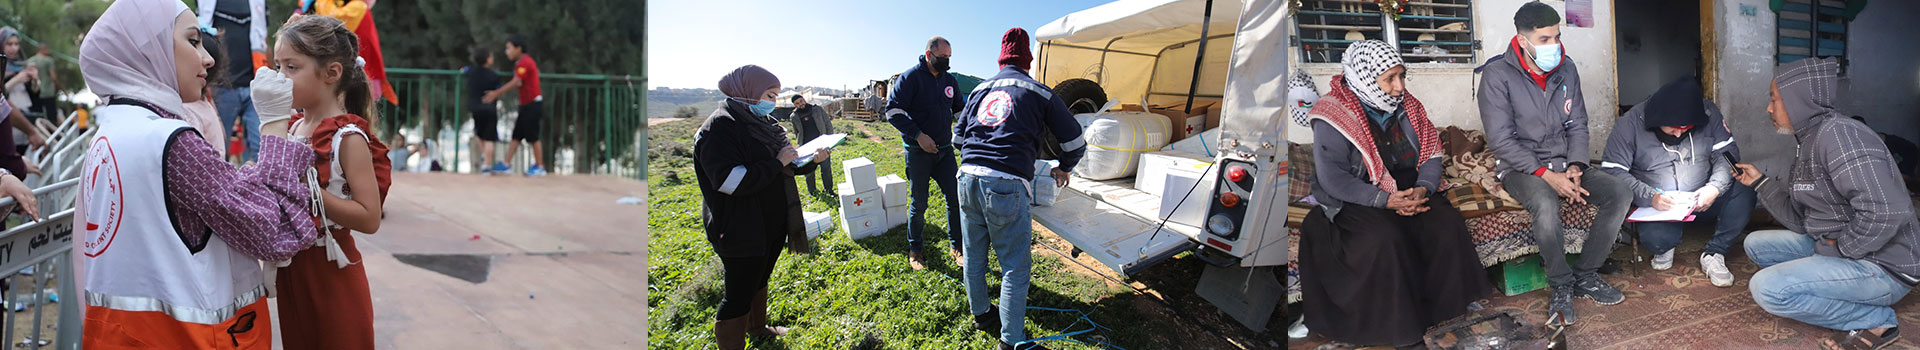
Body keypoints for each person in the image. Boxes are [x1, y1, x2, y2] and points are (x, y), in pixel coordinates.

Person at [74, 0, 321, 347]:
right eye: (193, 41)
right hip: (191, 338)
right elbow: (274, 230)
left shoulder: (111, 131)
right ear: (149, 50)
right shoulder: (172, 141)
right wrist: (275, 126)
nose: (208, 58)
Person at [1296, 40, 1490, 347]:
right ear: (1364, 77)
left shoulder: (1408, 106)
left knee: (1446, 224)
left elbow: (1431, 154)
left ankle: (1443, 312)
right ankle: (1401, 330)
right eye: (1390, 78)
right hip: (1358, 193)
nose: (1399, 86)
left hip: (1408, 185)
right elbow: (1334, 179)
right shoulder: (1332, 115)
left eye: (1402, 76)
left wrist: (1423, 189)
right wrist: (1385, 200)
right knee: (1384, 240)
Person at [1735, 57, 1918, 350]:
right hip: (1838, 244)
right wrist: (1760, 183)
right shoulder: (1808, 141)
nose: (1768, 109)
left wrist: (1842, 249)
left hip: (1884, 265)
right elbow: (1801, 221)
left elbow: (1887, 210)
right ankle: (1831, 281)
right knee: (1756, 244)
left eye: (1774, 99)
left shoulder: (1840, 135)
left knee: (1767, 289)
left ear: (1799, 100)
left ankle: (1876, 319)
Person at [1476, 1, 1632, 325]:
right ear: (1522, 40)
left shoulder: (1566, 68)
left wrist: (1575, 165)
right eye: (1544, 39)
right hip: (1521, 167)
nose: (1554, 45)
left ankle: (1586, 275)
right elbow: (1502, 142)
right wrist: (1547, 175)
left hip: (1564, 161)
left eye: (1557, 37)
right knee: (1546, 204)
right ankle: (1561, 283)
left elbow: (1577, 124)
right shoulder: (1497, 75)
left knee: (1620, 193)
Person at [953, 28, 1085, 350]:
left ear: (1001, 60)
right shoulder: (1040, 93)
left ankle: (982, 313)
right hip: (1005, 184)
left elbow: (958, 139)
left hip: (967, 178)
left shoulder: (980, 90)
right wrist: (1064, 167)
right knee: (1014, 266)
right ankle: (1011, 341)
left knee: (974, 255)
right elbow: (1075, 142)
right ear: (1028, 60)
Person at [271, 15, 396, 350]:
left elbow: (369, 217)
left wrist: (306, 190)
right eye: (278, 66)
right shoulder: (292, 128)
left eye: (291, 67)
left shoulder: (347, 138)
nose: (280, 78)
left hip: (333, 272)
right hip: (293, 270)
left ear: (331, 73)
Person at [693, 65, 827, 350]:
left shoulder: (762, 124)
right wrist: (777, 162)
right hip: (740, 228)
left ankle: (757, 328)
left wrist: (810, 161)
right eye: (769, 95)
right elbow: (730, 181)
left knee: (760, 277)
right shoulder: (720, 127)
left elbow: (785, 165)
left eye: (776, 95)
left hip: (769, 223)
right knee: (738, 294)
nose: (773, 102)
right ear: (747, 92)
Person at [1601, 77, 1753, 287]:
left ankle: (1715, 252)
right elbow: (1613, 172)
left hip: (1701, 198)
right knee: (1658, 241)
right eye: (1672, 127)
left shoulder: (1708, 112)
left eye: (1686, 127)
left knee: (1745, 186)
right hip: (1658, 205)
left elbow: (1727, 154)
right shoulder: (1630, 123)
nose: (1679, 133)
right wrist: (1650, 196)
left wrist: (1714, 187)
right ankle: (1666, 245)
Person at [885, 36, 964, 270]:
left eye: (949, 57)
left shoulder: (950, 80)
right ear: (929, 55)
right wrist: (918, 135)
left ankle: (957, 246)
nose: (946, 61)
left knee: (955, 199)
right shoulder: (911, 78)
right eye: (942, 57)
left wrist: (968, 131)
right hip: (918, 153)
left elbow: (960, 111)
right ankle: (915, 250)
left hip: (944, 152)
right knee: (919, 203)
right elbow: (893, 111)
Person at [199, 0, 268, 162]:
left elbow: (263, 39)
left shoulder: (258, 2)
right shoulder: (206, 3)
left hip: (255, 85)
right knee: (218, 148)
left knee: (262, 149)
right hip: (221, 88)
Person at [482, 33, 547, 176]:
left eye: (509, 48)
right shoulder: (519, 64)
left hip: (532, 104)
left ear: (519, 48)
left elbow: (517, 81)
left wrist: (497, 93)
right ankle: (507, 164)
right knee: (517, 135)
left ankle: (540, 166)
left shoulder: (525, 62)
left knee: (533, 136)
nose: (507, 52)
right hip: (525, 105)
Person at [463, 47, 503, 174]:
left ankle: (484, 155)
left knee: (478, 134)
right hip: (490, 109)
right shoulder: (494, 76)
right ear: (487, 59)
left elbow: (464, 70)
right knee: (489, 138)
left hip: (476, 109)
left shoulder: (471, 71)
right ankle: (487, 164)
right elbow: (499, 89)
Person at [789, 94, 835, 195]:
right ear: (794, 105)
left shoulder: (817, 109)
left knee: (826, 168)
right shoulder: (794, 116)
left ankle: (829, 190)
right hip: (806, 146)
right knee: (809, 171)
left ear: (804, 99)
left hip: (822, 144)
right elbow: (796, 131)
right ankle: (812, 191)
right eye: (797, 103)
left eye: (801, 101)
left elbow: (827, 123)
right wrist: (800, 143)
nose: (800, 104)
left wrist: (830, 139)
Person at [25, 45, 58, 122]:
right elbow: (53, 77)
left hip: (34, 93)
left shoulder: (30, 61)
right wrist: (59, 88)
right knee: (51, 118)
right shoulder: (48, 60)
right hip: (48, 92)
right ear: (45, 49)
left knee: (38, 117)